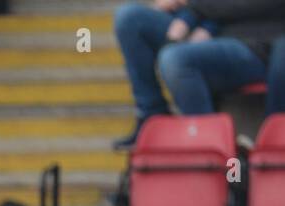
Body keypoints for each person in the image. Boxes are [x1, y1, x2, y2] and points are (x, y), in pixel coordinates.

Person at [112, 0, 285, 149]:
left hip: (251, 42)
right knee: (129, 18)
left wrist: (192, 6)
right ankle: (152, 113)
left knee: (175, 58)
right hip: (202, 23)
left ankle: (210, 145)